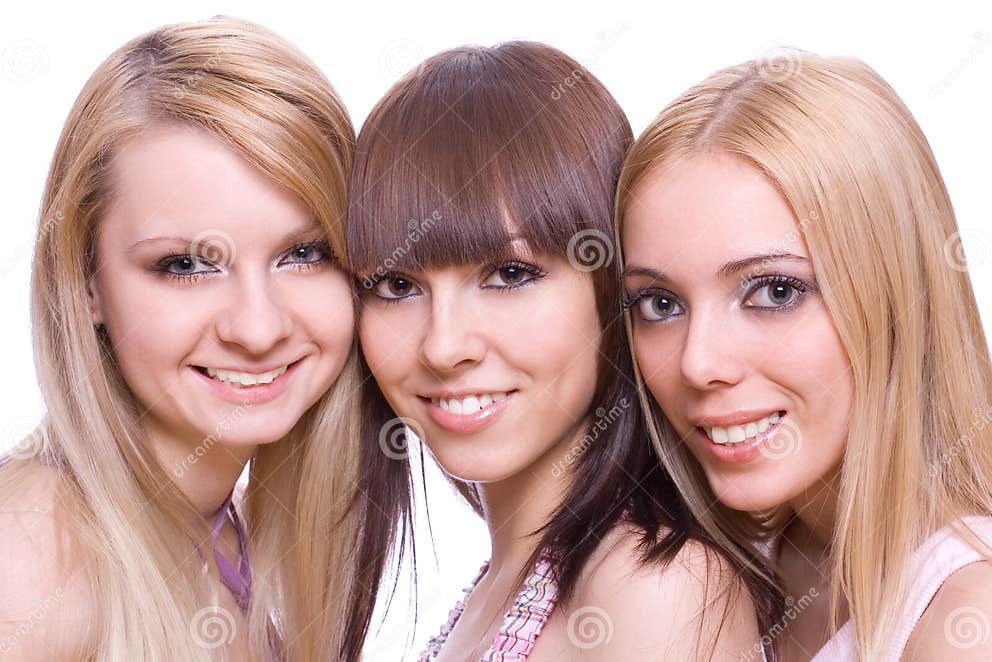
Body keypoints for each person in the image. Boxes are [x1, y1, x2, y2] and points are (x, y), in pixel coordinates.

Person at [347, 41, 781, 661]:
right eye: (397, 285)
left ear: (612, 288)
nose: (443, 347)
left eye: (510, 275)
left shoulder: (656, 589)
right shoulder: (503, 583)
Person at [0, 16, 369, 661]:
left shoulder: (229, 527)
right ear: (86, 283)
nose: (258, 328)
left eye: (304, 254)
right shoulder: (29, 553)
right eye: (186, 265)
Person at [617, 50, 992, 660]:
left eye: (774, 291)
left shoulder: (968, 622)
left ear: (896, 296)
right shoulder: (734, 569)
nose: (698, 364)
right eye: (659, 303)